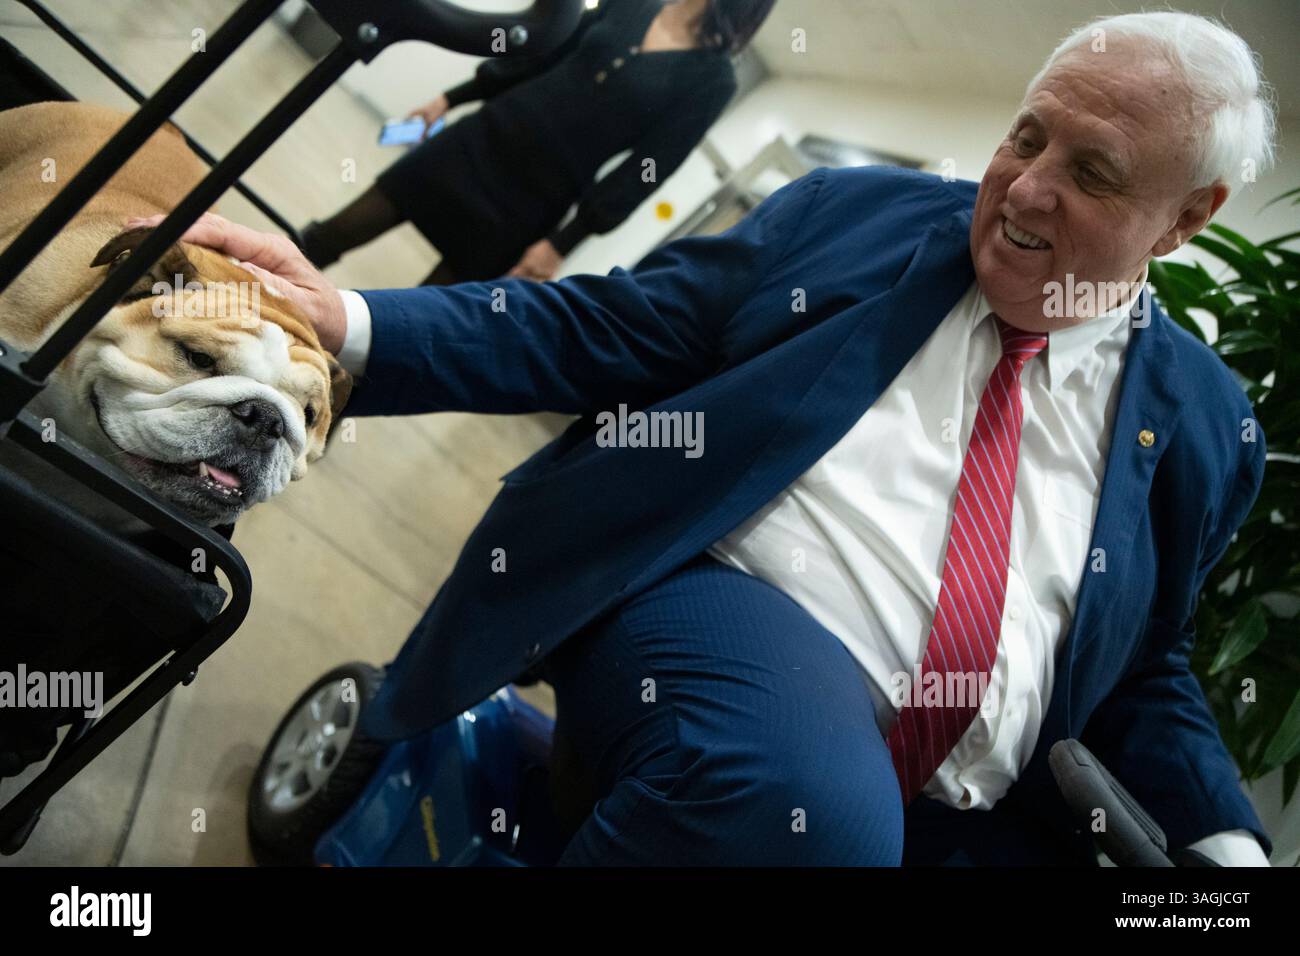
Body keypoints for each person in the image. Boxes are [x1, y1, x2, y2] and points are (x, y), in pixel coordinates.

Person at [132, 10, 1278, 865]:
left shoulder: (1205, 425)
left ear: (1186, 218)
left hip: (964, 814)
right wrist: (352, 320)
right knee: (803, 805)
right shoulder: (860, 221)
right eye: (1024, 137)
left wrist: (1227, 844)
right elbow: (614, 325)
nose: (1024, 191)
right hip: (729, 625)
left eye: (1089, 173)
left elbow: (1142, 659)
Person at [299, 0, 774, 285]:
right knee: (333, 233)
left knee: (411, 321)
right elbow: (542, 54)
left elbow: (646, 170)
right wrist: (452, 97)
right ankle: (237, 307)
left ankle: (324, 416)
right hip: (479, 142)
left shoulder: (713, 80)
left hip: (531, 202)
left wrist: (560, 244)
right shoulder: (633, 1)